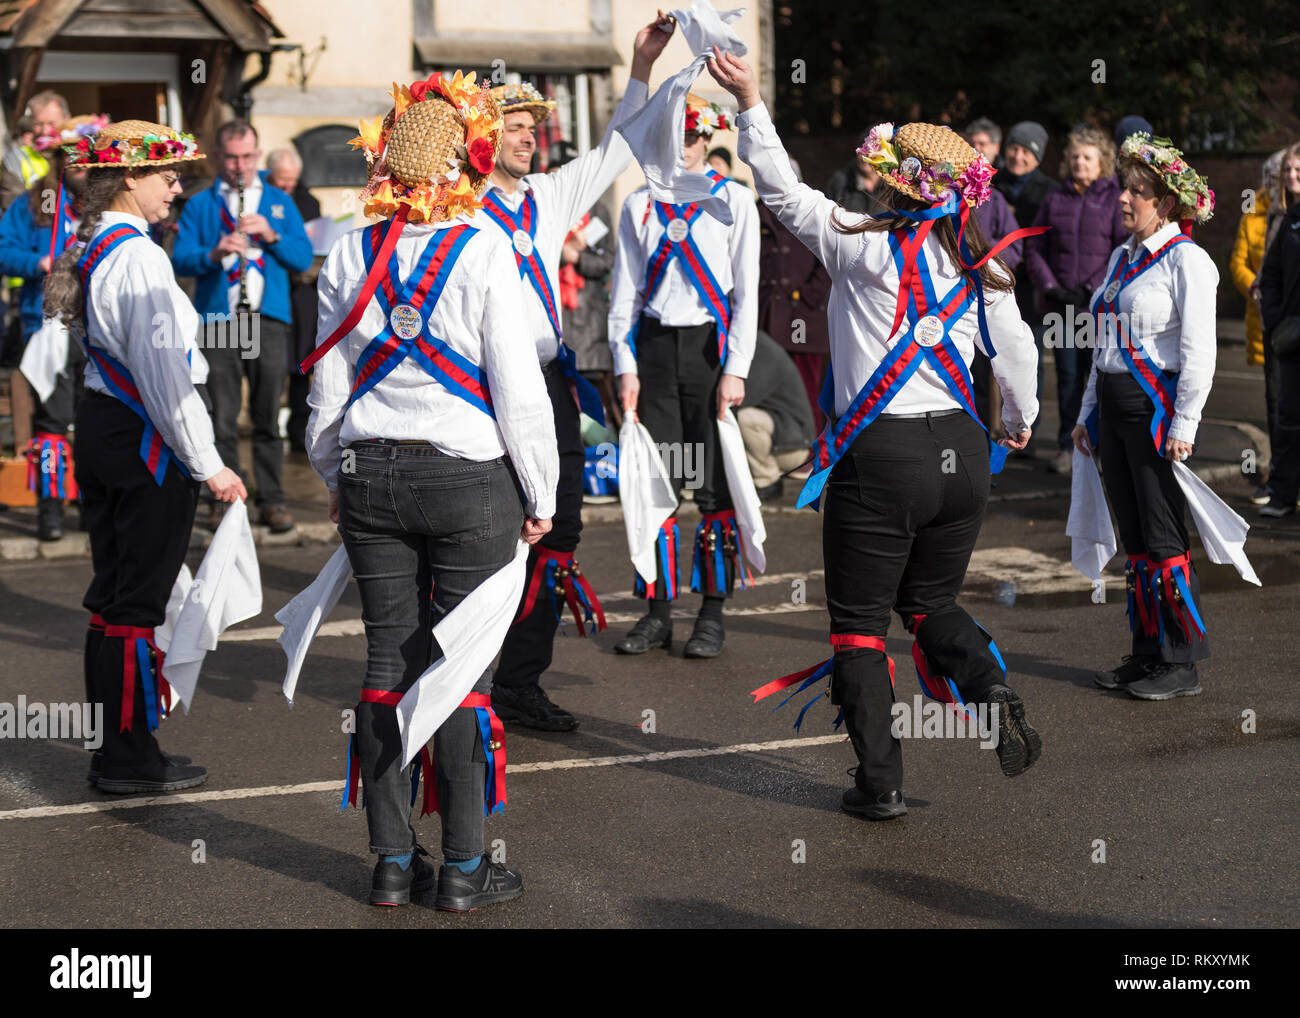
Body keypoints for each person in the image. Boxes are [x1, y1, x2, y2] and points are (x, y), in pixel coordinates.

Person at [710, 48, 1043, 818]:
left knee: (860, 627)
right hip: (961, 455)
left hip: (883, 454)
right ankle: (991, 689)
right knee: (928, 603)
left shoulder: (855, 241)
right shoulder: (980, 261)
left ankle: (881, 783)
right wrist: (1018, 420)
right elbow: (1018, 350)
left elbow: (782, 189)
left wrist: (754, 99)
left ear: (895, 181)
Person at [307, 72, 557, 909]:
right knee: (462, 674)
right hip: (468, 479)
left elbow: (323, 391)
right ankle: (460, 869)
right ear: (462, 163)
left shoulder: (347, 249)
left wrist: (330, 473)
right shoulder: (486, 248)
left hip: (369, 470)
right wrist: (542, 493)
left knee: (386, 663)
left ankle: (387, 862)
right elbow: (519, 389)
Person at [41, 120, 245, 792]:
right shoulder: (140, 257)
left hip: (101, 428)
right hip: (141, 438)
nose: (177, 189)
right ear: (128, 177)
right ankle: (127, 759)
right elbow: (164, 376)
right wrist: (208, 463)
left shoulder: (98, 242)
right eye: (167, 176)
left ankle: (119, 752)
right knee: (135, 603)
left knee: (112, 597)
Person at [479, 15, 670, 731]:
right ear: (481, 138)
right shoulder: (455, 210)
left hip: (550, 384)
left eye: (535, 127)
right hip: (477, 390)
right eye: (517, 127)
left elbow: (619, 143)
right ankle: (462, 684)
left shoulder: (546, 196)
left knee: (557, 536)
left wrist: (642, 64)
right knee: (489, 536)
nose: (533, 137)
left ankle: (519, 683)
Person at [608, 90, 760, 660]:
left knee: (713, 486)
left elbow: (746, 296)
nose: (689, 145)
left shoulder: (735, 201)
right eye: (680, 134)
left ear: (709, 139)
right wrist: (626, 367)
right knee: (660, 485)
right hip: (654, 353)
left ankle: (712, 614)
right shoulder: (638, 206)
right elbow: (622, 296)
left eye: (698, 135)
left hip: (708, 351)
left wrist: (735, 370)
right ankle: (656, 614)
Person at [1072, 132, 1218, 697]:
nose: (1125, 200)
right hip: (1113, 406)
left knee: (1162, 534)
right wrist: (1086, 413)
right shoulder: (1120, 257)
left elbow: (1199, 352)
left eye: (1139, 192)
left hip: (1153, 411)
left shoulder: (1189, 261)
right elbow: (1101, 347)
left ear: (1168, 204)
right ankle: (1146, 651)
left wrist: (1185, 424)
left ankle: (1180, 662)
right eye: (1124, 190)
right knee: (1134, 537)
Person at [172, 119, 312, 533]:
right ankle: (225, 499)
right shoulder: (199, 204)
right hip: (220, 317)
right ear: (219, 156)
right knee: (222, 415)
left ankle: (272, 499)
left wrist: (271, 234)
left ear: (256, 154)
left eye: (248, 157)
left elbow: (302, 260)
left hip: (266, 319)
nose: (240, 165)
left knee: (268, 415)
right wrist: (214, 253)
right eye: (231, 157)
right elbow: (180, 259)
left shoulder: (278, 202)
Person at [0, 114, 105, 539]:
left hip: (98, 331)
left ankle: (90, 503)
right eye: (73, 157)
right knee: (51, 424)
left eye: (89, 158)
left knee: (95, 421)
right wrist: (37, 263)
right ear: (59, 159)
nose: (81, 166)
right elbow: (4, 249)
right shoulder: (35, 203)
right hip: (46, 328)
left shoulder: (110, 205)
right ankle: (49, 510)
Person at [1027, 127, 1127, 474]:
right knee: (1068, 379)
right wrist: (1051, 287)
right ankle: (1068, 448)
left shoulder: (1115, 199)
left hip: (1097, 308)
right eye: (1074, 157)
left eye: (1087, 157)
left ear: (1103, 163)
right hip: (1063, 310)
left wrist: (1089, 288)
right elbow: (1035, 246)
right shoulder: (1056, 199)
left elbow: (1121, 249)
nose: (1079, 162)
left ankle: (1100, 449)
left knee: (1099, 378)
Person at [757, 156, 831, 430]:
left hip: (803, 317)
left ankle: (811, 448)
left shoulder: (811, 209)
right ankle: (781, 448)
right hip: (766, 316)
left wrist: (809, 295)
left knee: (807, 385)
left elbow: (827, 259)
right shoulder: (755, 211)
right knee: (769, 387)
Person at [1230, 150, 1284, 504]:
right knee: (1275, 402)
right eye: (1275, 174)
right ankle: (1278, 479)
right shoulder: (1253, 210)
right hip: (1265, 318)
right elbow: (1237, 261)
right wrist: (1256, 287)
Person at [264, 147, 322, 451]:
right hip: (270, 294)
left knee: (301, 362)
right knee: (265, 366)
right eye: (282, 180)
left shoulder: (307, 201)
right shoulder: (259, 199)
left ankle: (300, 430)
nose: (288, 186)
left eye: (292, 180)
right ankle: (268, 424)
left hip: (301, 294)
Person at [1258, 141, 1300, 520]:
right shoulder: (1293, 218)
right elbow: (1269, 274)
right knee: (1288, 416)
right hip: (1292, 337)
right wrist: (1274, 315)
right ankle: (1283, 496)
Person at [736, 329, 814, 499]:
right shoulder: (750, 344)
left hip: (793, 448)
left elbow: (739, 400)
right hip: (778, 436)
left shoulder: (761, 349)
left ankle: (767, 480)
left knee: (743, 417)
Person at [0, 91, 68, 210]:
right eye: (39, 124)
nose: (45, 131)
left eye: (52, 123)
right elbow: (13, 208)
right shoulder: (16, 158)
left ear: (67, 120)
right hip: (33, 225)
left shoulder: (81, 155)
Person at [824, 128, 884, 214]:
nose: (866, 155)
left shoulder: (893, 188)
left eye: (873, 150)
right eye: (863, 149)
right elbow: (826, 217)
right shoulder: (840, 181)